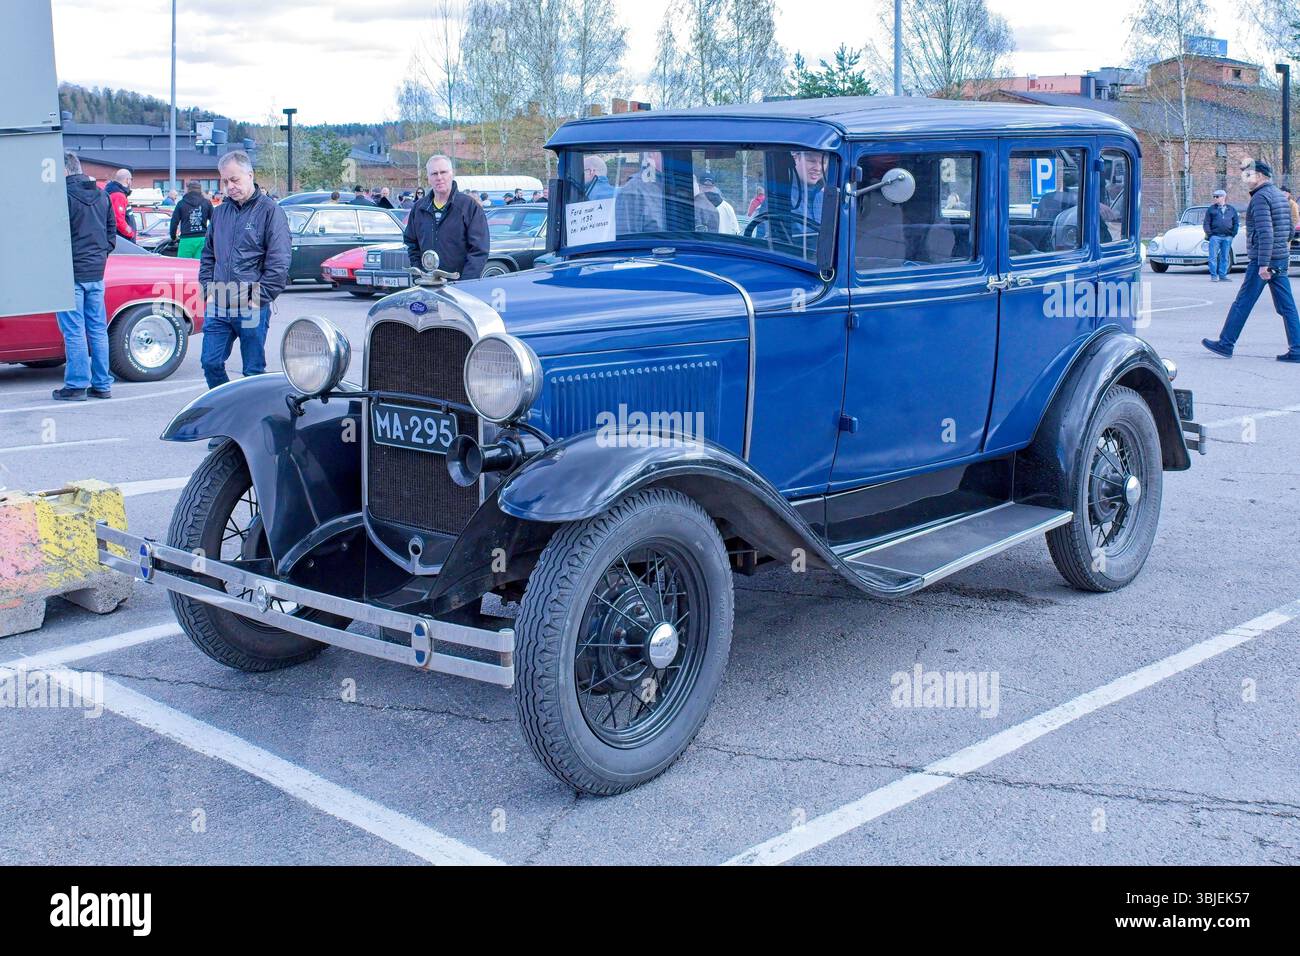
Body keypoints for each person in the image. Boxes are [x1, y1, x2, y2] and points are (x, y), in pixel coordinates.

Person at [199, 149, 292, 403]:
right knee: (210, 363)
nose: (230, 186)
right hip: (219, 303)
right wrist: (207, 291)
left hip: (251, 306)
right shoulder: (219, 214)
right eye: (225, 181)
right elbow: (208, 256)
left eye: (235, 180)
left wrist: (258, 299)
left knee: (252, 371)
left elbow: (279, 261)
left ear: (250, 175)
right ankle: (226, 416)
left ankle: (252, 426)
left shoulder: (270, 212)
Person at [1203, 159, 1300, 363]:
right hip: (1280, 257)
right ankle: (1297, 349)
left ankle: (1226, 343)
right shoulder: (1281, 197)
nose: (1246, 179)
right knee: (1287, 306)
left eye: (1249, 175)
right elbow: (1290, 230)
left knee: (1243, 302)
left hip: (1263, 260)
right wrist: (1280, 254)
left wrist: (1264, 263)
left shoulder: (1261, 197)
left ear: (1261, 176)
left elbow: (1266, 232)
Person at [52, 150, 116, 401]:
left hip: (70, 272)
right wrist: (100, 256)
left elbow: (55, 237)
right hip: (96, 272)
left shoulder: (61, 196)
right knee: (98, 329)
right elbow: (112, 234)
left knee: (74, 330)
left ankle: (77, 384)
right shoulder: (103, 195)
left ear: (65, 170)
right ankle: (102, 384)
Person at [402, 154, 489, 280]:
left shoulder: (469, 207)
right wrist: (419, 273)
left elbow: (479, 250)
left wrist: (465, 282)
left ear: (451, 174)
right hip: (427, 284)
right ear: (428, 177)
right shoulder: (419, 208)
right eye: (434, 174)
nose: (439, 177)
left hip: (459, 286)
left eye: (443, 172)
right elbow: (411, 242)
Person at [169, 179, 213, 259]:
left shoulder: (181, 203)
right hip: (202, 239)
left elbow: (174, 222)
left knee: (183, 267)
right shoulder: (207, 203)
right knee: (200, 266)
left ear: (188, 189)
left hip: (186, 239)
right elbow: (215, 221)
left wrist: (173, 237)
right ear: (200, 189)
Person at [1202, 189, 1238, 283]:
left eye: (1217, 196)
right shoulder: (1211, 209)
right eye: (1214, 196)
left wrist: (1232, 234)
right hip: (1215, 237)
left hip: (1227, 237)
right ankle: (1214, 276)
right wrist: (1210, 235)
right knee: (1212, 257)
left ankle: (1223, 276)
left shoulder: (1231, 209)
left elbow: (1236, 223)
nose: (1215, 198)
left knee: (1225, 257)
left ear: (1223, 197)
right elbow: (1206, 223)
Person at [104, 168, 136, 241]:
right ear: (127, 180)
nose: (131, 182)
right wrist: (131, 233)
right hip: (123, 239)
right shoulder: (118, 195)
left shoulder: (114, 193)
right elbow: (118, 220)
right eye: (131, 179)